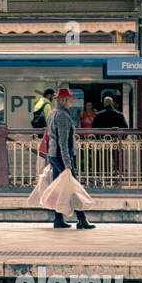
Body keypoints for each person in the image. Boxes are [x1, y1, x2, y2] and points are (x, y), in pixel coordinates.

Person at [45, 87, 94, 229]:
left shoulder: (53, 113)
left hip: (53, 154)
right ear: (64, 100)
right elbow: (63, 141)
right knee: (73, 187)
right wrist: (67, 162)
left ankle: (58, 219)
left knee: (59, 188)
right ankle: (82, 220)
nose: (71, 103)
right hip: (61, 156)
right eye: (70, 100)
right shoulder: (63, 116)